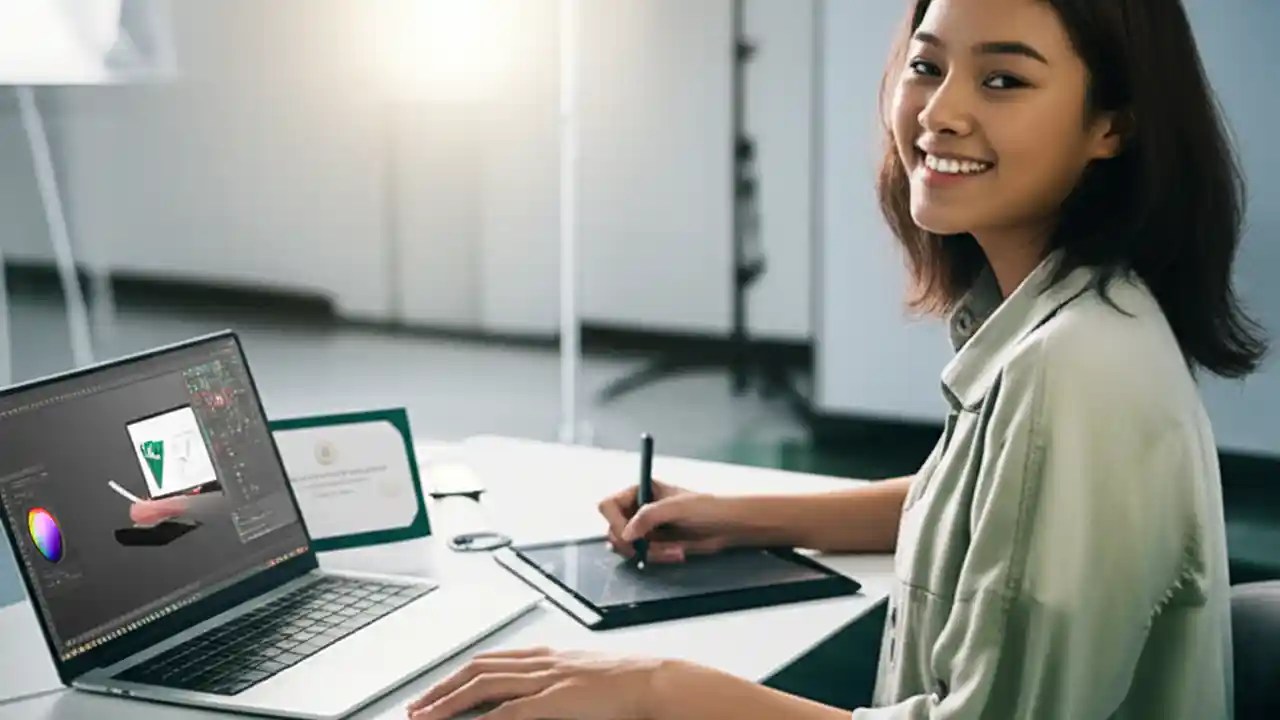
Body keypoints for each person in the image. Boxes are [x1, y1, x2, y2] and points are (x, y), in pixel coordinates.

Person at [406, 0, 1265, 716]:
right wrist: (739, 517)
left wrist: (658, 693)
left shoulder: (1072, 370)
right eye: (927, 67)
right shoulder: (1075, 313)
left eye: (1002, 79)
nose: (938, 112)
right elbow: (975, 506)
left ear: (1110, 125)